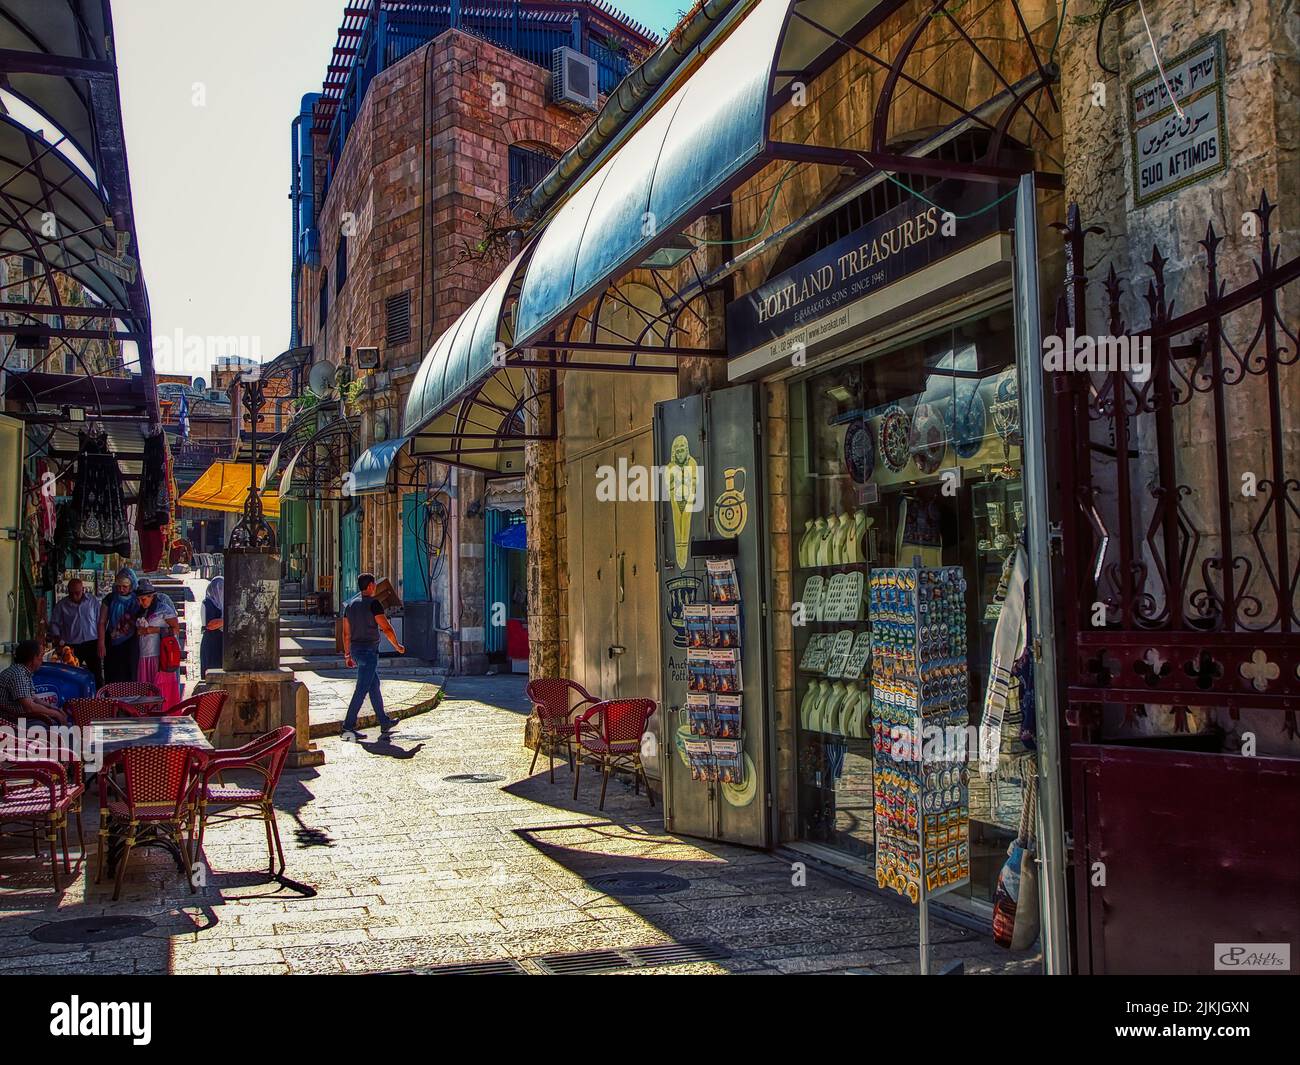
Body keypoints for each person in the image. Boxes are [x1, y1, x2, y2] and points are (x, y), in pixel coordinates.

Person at [340, 573, 405, 741]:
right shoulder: (374, 604)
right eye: (374, 584)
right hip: (369, 652)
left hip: (355, 650)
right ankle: (348, 726)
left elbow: (346, 633)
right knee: (361, 689)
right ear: (369, 586)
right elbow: (386, 627)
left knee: (374, 685)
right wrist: (397, 646)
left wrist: (347, 654)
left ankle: (384, 721)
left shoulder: (350, 606)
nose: (375, 587)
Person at [48, 577, 103, 689]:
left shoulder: (92, 601)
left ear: (83, 589)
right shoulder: (62, 605)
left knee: (96, 674)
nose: (74, 596)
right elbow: (54, 623)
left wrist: (101, 642)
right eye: (71, 593)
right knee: (71, 675)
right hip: (72, 646)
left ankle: (99, 700)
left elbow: (100, 621)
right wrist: (58, 639)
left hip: (92, 643)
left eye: (77, 593)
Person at [133, 578, 181, 708]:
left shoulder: (164, 609)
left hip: (160, 656)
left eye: (143, 599)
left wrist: (153, 630)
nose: (141, 602)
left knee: (160, 689)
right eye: (139, 599)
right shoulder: (140, 610)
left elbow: (176, 630)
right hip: (143, 656)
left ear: (152, 596)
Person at [0, 640, 66, 725]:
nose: (42, 660)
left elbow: (33, 698)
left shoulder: (23, 671)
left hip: (20, 718)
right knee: (56, 725)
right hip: (11, 722)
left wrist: (53, 708)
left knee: (60, 722)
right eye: (41, 656)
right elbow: (30, 707)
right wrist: (56, 714)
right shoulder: (17, 673)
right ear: (33, 658)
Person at [99, 567, 141, 685]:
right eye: (118, 586)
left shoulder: (136, 599)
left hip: (131, 640)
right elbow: (102, 622)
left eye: (125, 587)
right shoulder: (110, 598)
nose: (121, 589)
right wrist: (101, 643)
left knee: (130, 672)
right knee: (112, 672)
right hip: (112, 640)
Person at [200, 576, 224, 678]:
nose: (221, 591)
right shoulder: (207, 603)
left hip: (223, 643)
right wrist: (228, 620)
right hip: (211, 642)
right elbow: (210, 625)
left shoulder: (225, 604)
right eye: (220, 588)